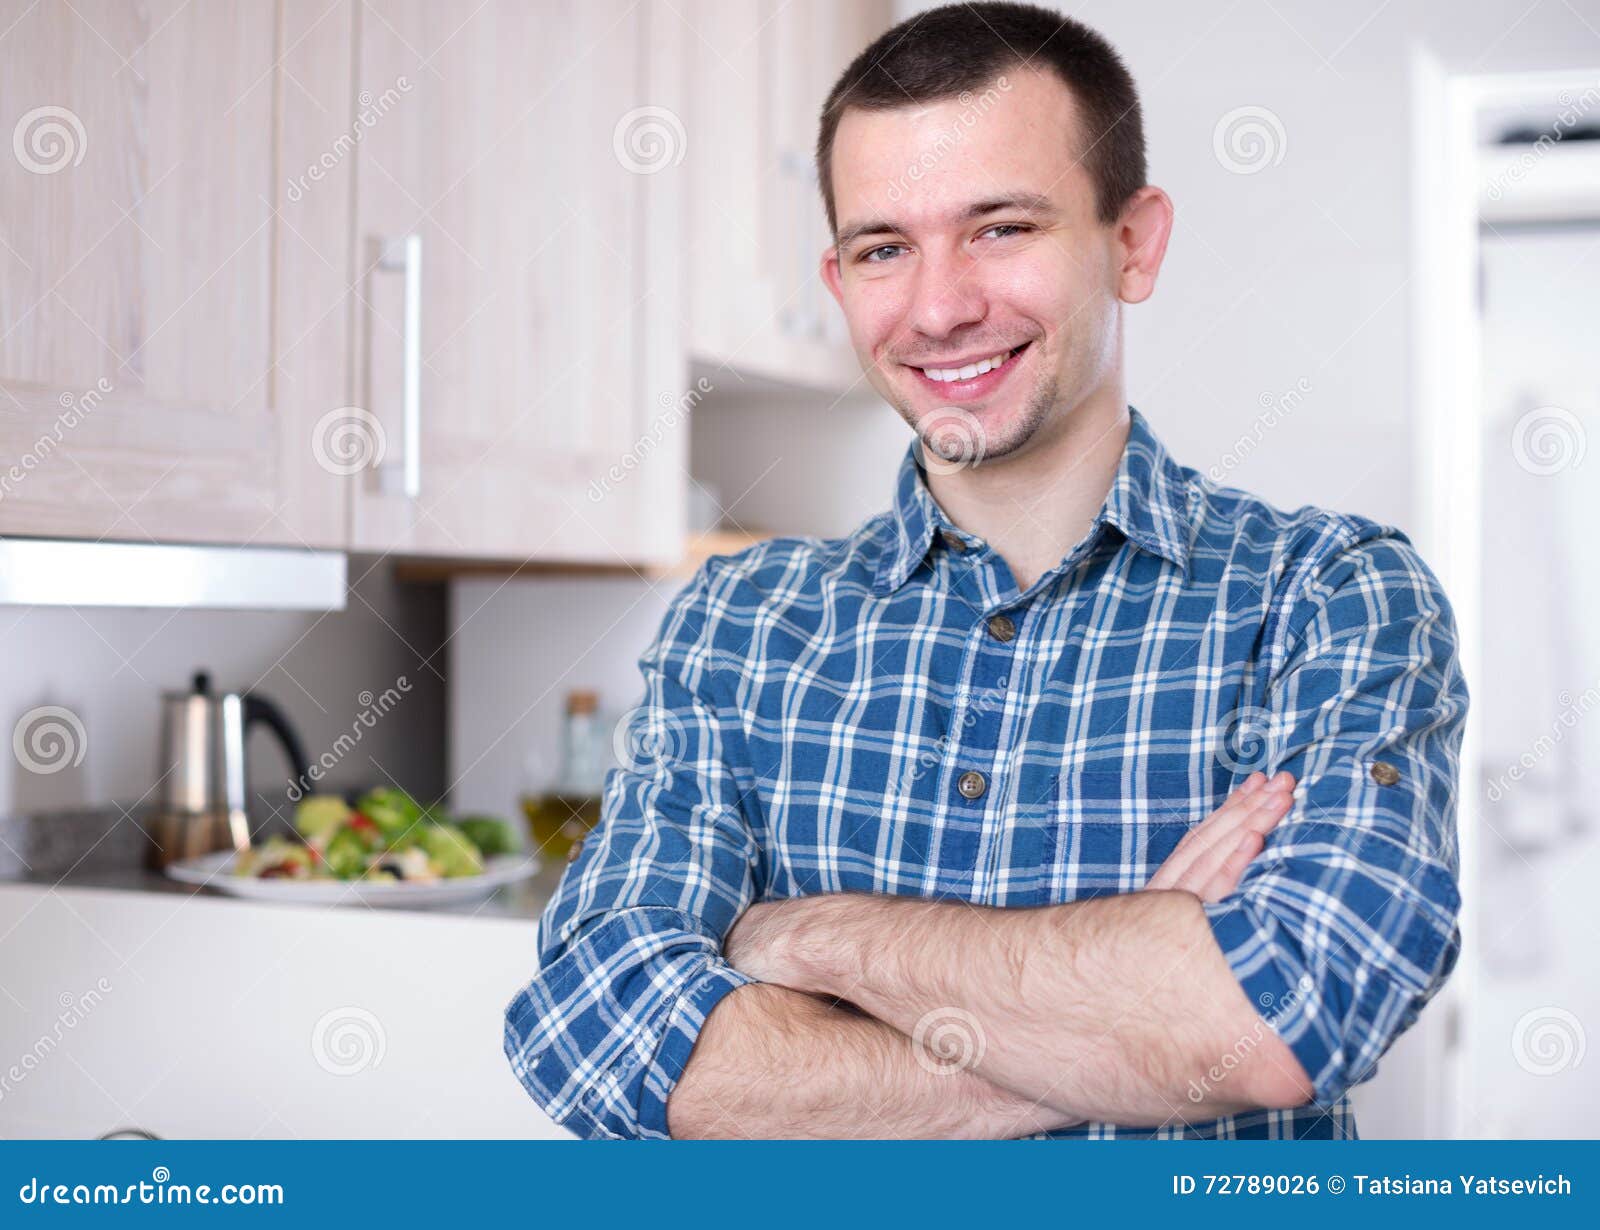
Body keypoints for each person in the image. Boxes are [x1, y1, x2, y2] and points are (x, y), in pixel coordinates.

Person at [503, 1, 1466, 1140]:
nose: (940, 306)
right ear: (838, 277)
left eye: (1001, 228)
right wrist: (1131, 998)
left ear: (1132, 241)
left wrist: (804, 940)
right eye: (883, 248)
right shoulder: (742, 622)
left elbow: (1287, 1011)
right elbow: (594, 1031)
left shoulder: (1331, 596)